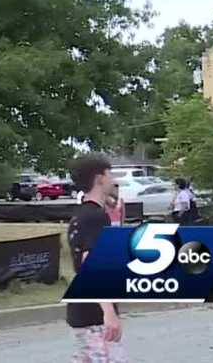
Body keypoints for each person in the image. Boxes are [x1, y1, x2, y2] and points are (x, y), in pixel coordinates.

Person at [67, 154, 127, 362]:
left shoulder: (81, 214)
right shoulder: (96, 217)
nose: (113, 180)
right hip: (94, 315)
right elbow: (90, 264)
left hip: (82, 311)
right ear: (99, 178)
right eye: (109, 174)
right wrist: (108, 312)